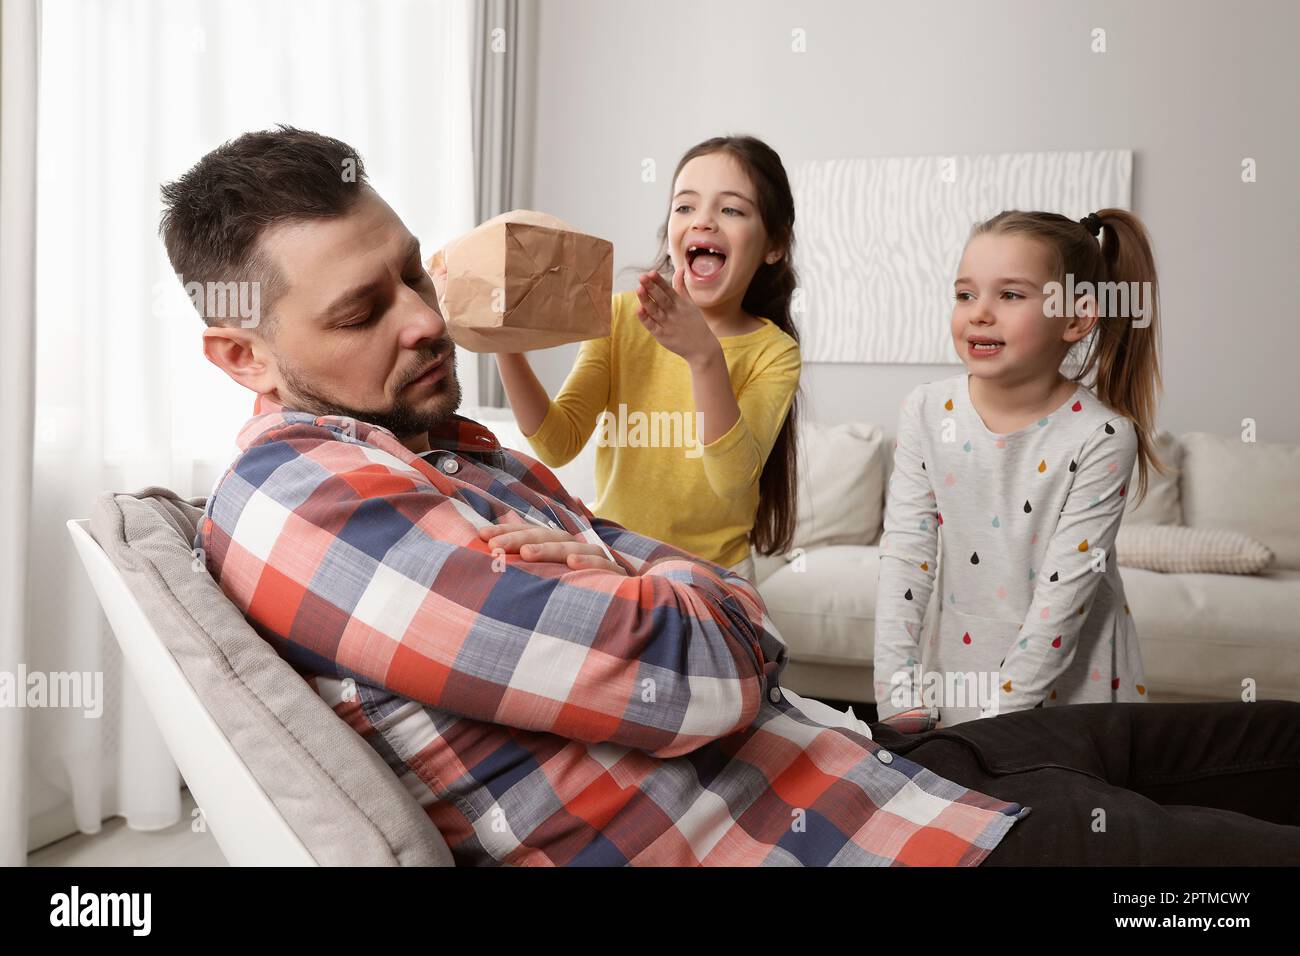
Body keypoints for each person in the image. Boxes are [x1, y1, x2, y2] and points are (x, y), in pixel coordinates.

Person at [162, 126, 1300, 866]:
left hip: (855, 754)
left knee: (1249, 738)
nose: (422, 316)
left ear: (768, 245)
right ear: (242, 356)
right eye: (364, 311)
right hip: (864, 824)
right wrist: (523, 357)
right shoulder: (306, 497)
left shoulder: (454, 448)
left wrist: (654, 566)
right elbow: (694, 658)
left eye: (416, 272)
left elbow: (702, 511)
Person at [875, 209, 1162, 730]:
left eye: (1010, 295)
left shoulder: (1102, 438)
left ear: (1076, 318)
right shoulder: (926, 409)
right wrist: (899, 693)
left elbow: (1062, 601)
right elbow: (906, 558)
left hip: (1072, 684)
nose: (979, 314)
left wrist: (999, 723)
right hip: (958, 664)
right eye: (965, 294)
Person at [491, 136, 802, 584]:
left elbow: (733, 481)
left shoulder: (774, 353)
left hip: (714, 577)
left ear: (774, 246)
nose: (705, 222)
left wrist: (704, 357)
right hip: (618, 562)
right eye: (685, 207)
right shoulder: (620, 318)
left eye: (731, 209)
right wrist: (506, 343)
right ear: (670, 234)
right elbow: (558, 444)